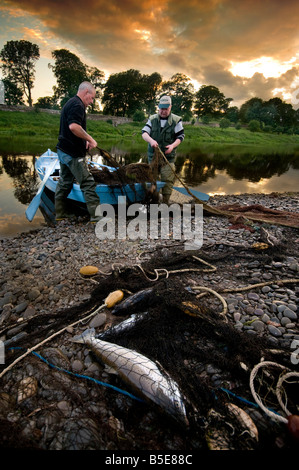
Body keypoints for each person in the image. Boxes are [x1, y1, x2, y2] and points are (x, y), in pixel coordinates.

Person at [55, 81, 101, 222]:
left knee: (65, 181)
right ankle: (97, 217)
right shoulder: (78, 105)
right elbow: (74, 127)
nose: (91, 101)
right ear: (86, 92)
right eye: (92, 97)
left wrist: (84, 140)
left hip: (63, 150)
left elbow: (74, 127)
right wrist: (90, 139)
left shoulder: (70, 102)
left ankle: (60, 213)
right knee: (87, 183)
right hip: (72, 154)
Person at [142, 95, 185, 204]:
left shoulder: (176, 120)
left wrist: (172, 146)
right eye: (161, 108)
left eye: (166, 109)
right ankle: (153, 201)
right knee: (151, 180)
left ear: (170, 107)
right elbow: (144, 133)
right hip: (153, 158)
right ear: (159, 107)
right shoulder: (152, 119)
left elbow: (180, 137)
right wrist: (151, 141)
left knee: (167, 180)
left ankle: (165, 202)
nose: (163, 111)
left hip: (168, 158)